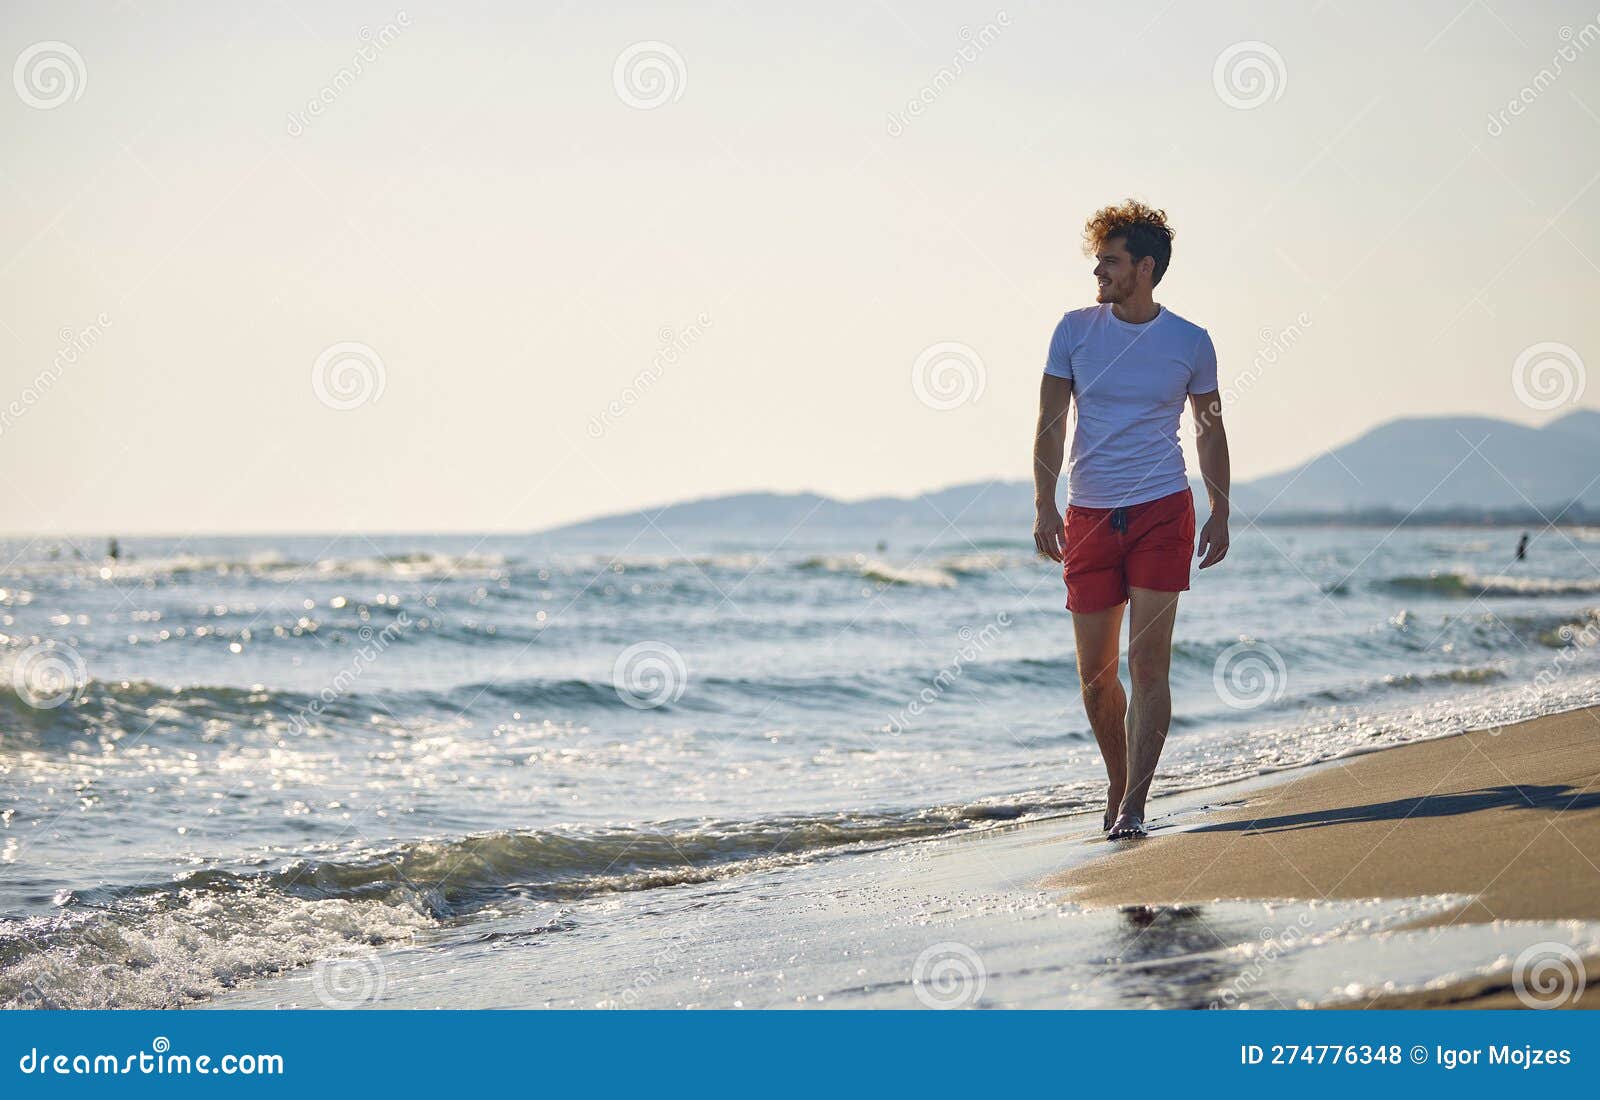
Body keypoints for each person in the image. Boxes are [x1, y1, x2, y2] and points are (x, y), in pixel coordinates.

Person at [1031, 200, 1231, 840]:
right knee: (1095, 680)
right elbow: (1050, 425)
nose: (1099, 270)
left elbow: (1210, 430)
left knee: (1149, 668)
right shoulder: (1073, 330)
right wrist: (1043, 502)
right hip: (1088, 514)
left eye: (1110, 260)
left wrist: (1222, 507)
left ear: (1144, 268)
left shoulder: (1191, 342)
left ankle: (1135, 806)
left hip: (1161, 511)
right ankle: (1118, 780)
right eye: (1098, 260)